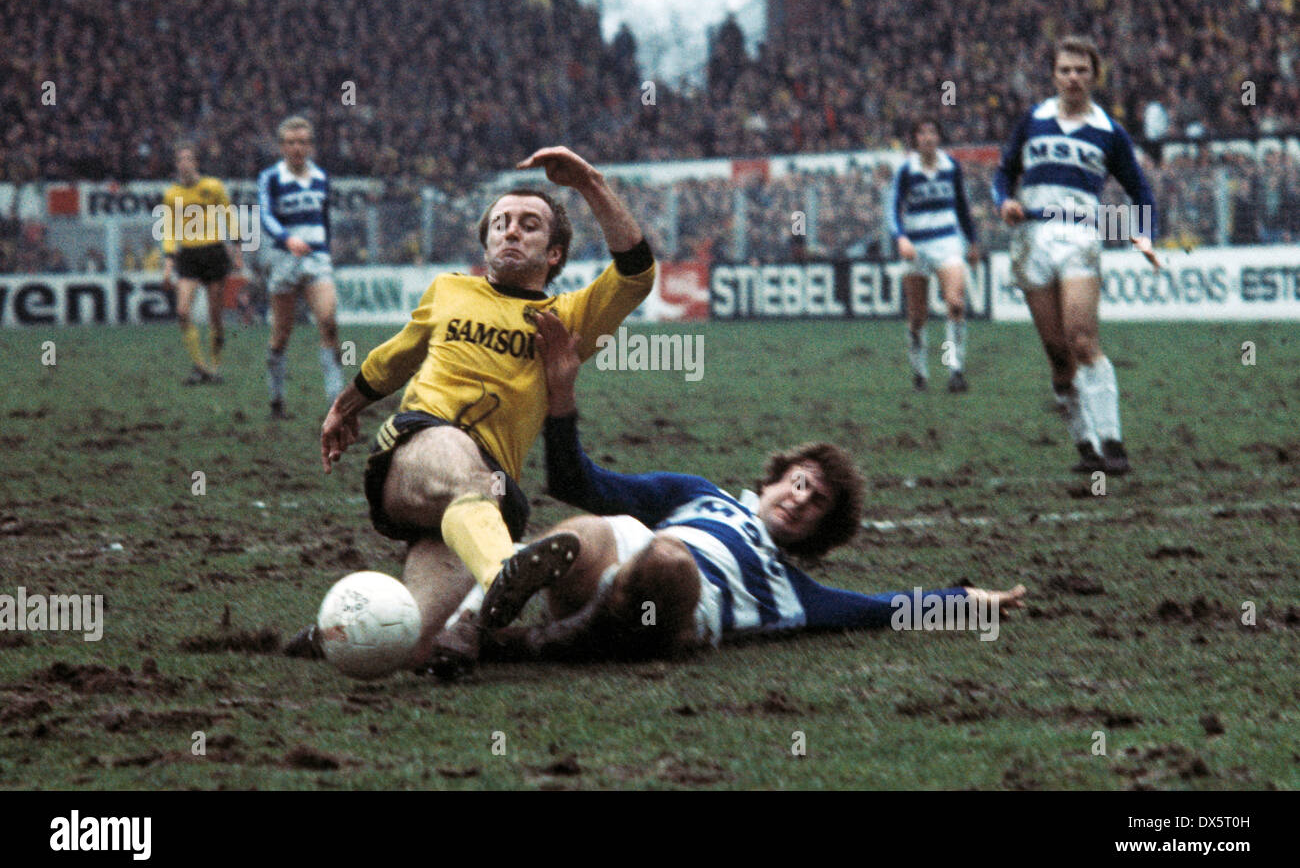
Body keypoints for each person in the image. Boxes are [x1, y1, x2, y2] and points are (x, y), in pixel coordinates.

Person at [460, 309, 1026, 664]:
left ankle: (537, 640)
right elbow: (574, 481)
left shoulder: (795, 592)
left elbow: (892, 608)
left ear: (820, 532)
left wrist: (977, 603)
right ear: (775, 477)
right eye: (801, 483)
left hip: (670, 607)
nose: (802, 498)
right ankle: (483, 615)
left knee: (670, 562)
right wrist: (561, 397)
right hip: (608, 569)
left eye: (818, 503)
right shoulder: (696, 495)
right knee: (589, 531)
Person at [289, 146, 656, 673]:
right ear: (485, 240)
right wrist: (345, 406)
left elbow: (636, 273)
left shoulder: (569, 319)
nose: (511, 231)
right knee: (464, 465)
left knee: (412, 643)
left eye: (529, 225)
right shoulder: (449, 292)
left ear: (554, 254)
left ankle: (329, 633)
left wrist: (590, 183)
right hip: (416, 449)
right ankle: (505, 568)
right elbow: (397, 357)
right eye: (501, 223)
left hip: (486, 498)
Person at [993, 36, 1161, 475]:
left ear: (1094, 75)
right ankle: (1086, 448)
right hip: (1031, 238)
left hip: (1080, 236)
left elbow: (1139, 188)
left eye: (1081, 70)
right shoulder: (1032, 120)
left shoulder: (1109, 131)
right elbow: (1003, 172)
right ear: (1053, 75)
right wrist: (1002, 201)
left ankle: (1114, 445)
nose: (1073, 77)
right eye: (1065, 69)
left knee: (1083, 339)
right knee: (1058, 355)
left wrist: (1144, 234)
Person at [888, 119, 980, 392]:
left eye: (932, 132)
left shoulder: (951, 167)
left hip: (947, 242)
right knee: (918, 316)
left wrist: (972, 241)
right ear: (914, 139)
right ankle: (920, 373)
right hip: (916, 246)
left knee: (955, 304)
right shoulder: (906, 170)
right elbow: (892, 209)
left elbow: (962, 206)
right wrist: (901, 237)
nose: (927, 137)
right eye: (922, 133)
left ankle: (955, 370)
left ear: (939, 137)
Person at [258, 116, 341, 418]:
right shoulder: (271, 177)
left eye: (302, 142)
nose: (297, 147)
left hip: (317, 260)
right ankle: (276, 400)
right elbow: (265, 216)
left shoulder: (321, 177)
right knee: (281, 334)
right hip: (284, 260)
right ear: (281, 146)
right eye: (291, 142)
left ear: (310, 145)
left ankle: (336, 402)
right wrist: (286, 237)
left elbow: (325, 217)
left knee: (329, 323)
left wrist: (327, 248)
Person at [161, 145, 242, 385]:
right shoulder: (171, 194)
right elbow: (169, 229)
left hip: (214, 252)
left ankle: (215, 368)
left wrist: (238, 251)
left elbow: (229, 216)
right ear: (176, 164)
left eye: (189, 159)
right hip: (188, 256)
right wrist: (167, 265)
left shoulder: (213, 187)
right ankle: (200, 366)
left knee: (215, 316)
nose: (185, 163)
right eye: (180, 159)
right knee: (183, 312)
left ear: (196, 163)